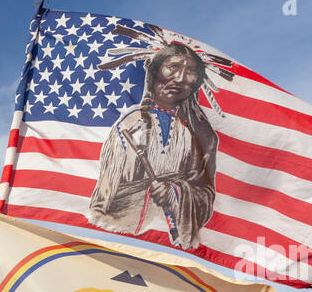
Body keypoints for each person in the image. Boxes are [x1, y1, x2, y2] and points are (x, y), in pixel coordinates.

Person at [88, 42, 218, 251]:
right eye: (173, 67)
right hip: (119, 239)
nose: (180, 77)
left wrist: (175, 193)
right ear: (156, 71)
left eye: (191, 70)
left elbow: (206, 194)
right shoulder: (129, 125)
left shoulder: (200, 136)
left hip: (171, 247)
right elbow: (104, 195)